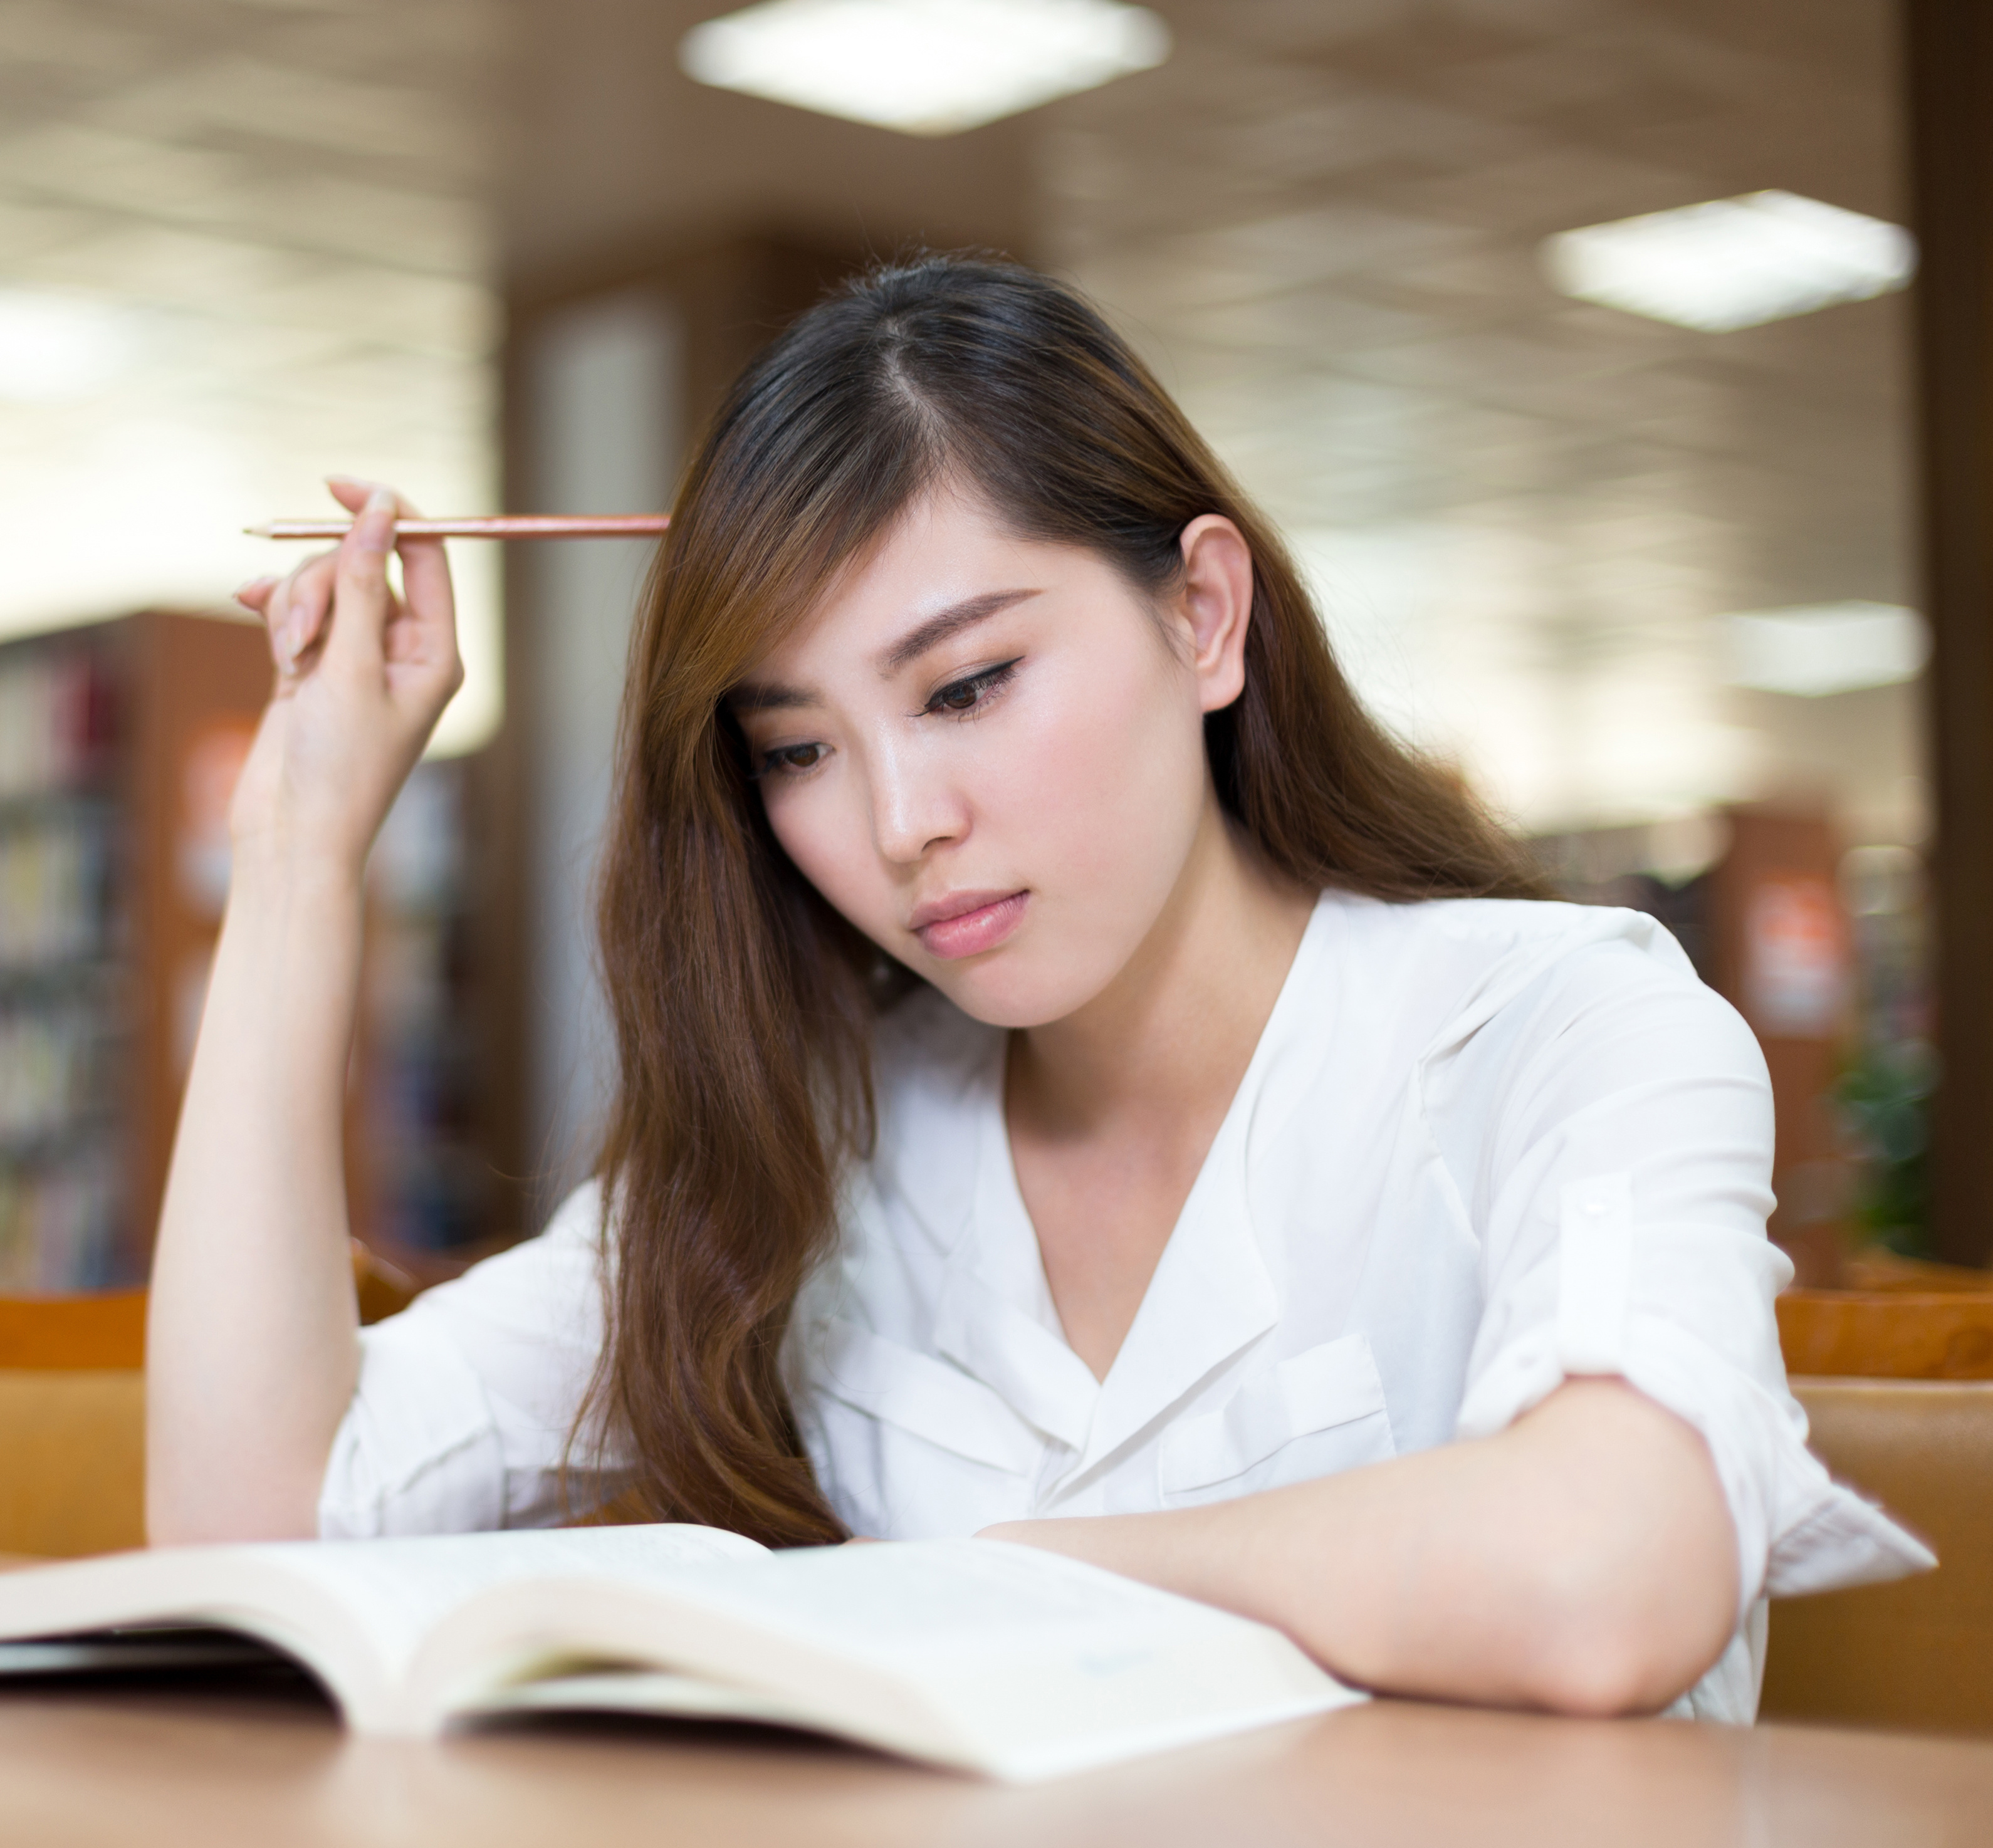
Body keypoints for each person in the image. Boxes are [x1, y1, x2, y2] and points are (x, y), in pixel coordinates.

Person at [149, 255, 1927, 1720]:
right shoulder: (818, 1133)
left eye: (966, 686)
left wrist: (961, 1597)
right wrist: (302, 840)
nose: (900, 824)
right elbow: (249, 1527)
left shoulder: (1562, 1025)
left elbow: (1603, 1578)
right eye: (795, 752)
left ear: (1201, 616)